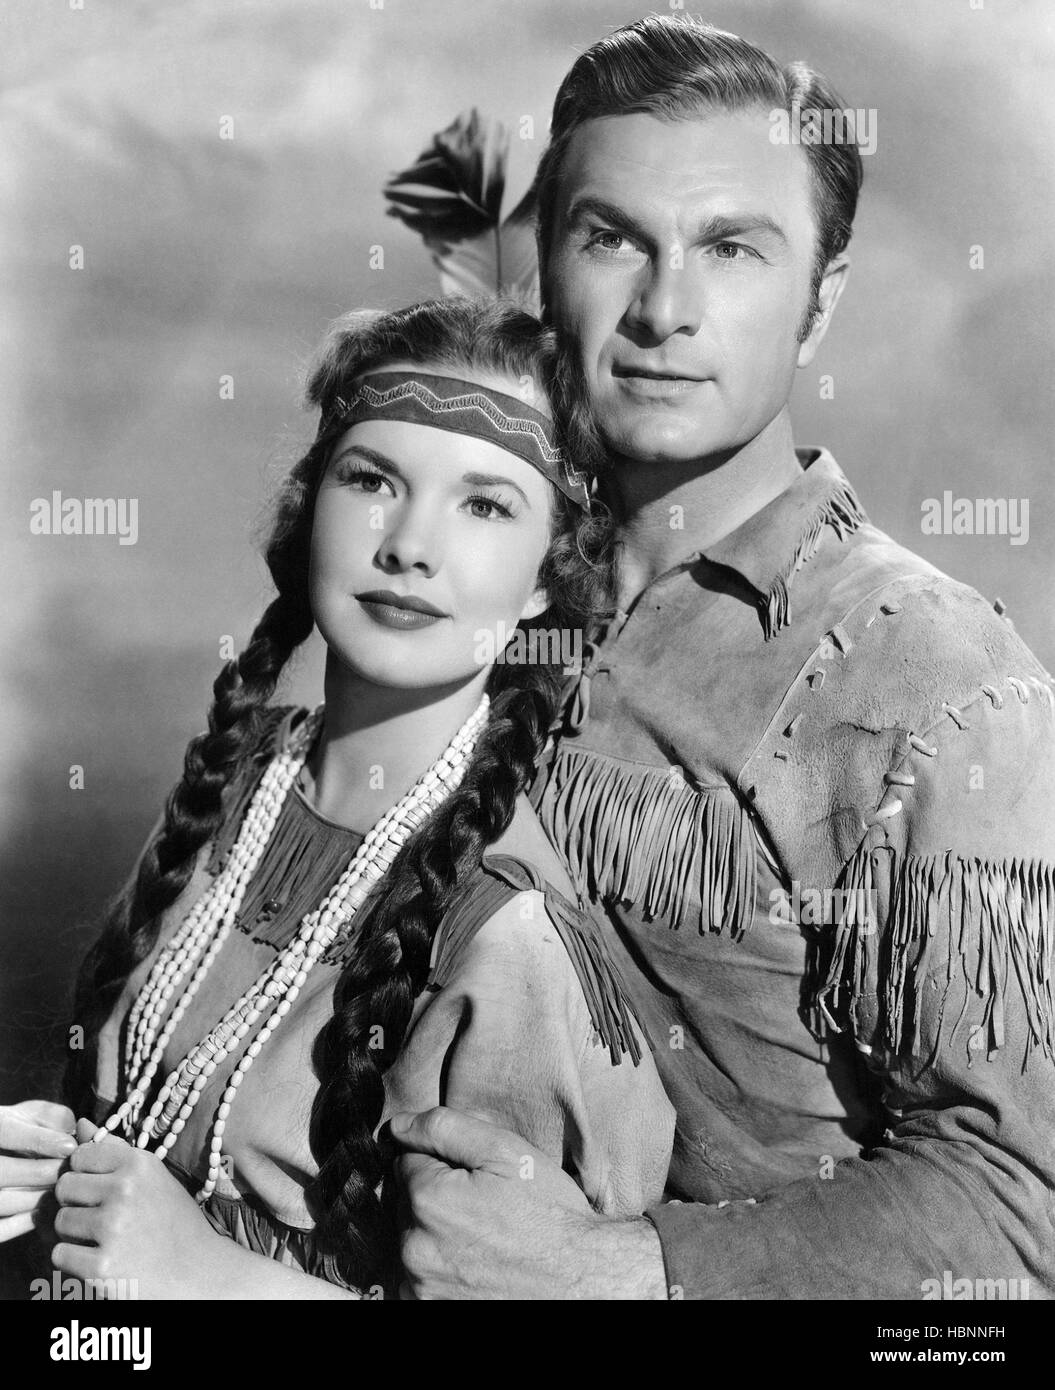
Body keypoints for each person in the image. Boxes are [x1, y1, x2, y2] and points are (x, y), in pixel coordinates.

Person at [390, 16, 1055, 1299]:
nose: (663, 309)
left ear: (820, 301)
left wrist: (617, 1275)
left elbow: (1020, 1210)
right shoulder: (459, 582)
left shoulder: (933, 681)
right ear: (543, 265)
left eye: (730, 248)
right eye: (611, 238)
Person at [0, 296, 674, 1298]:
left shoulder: (505, 942)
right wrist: (52, 1160)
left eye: (483, 504)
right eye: (371, 480)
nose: (407, 543)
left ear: (544, 580)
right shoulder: (234, 790)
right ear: (314, 501)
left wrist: (214, 1277)